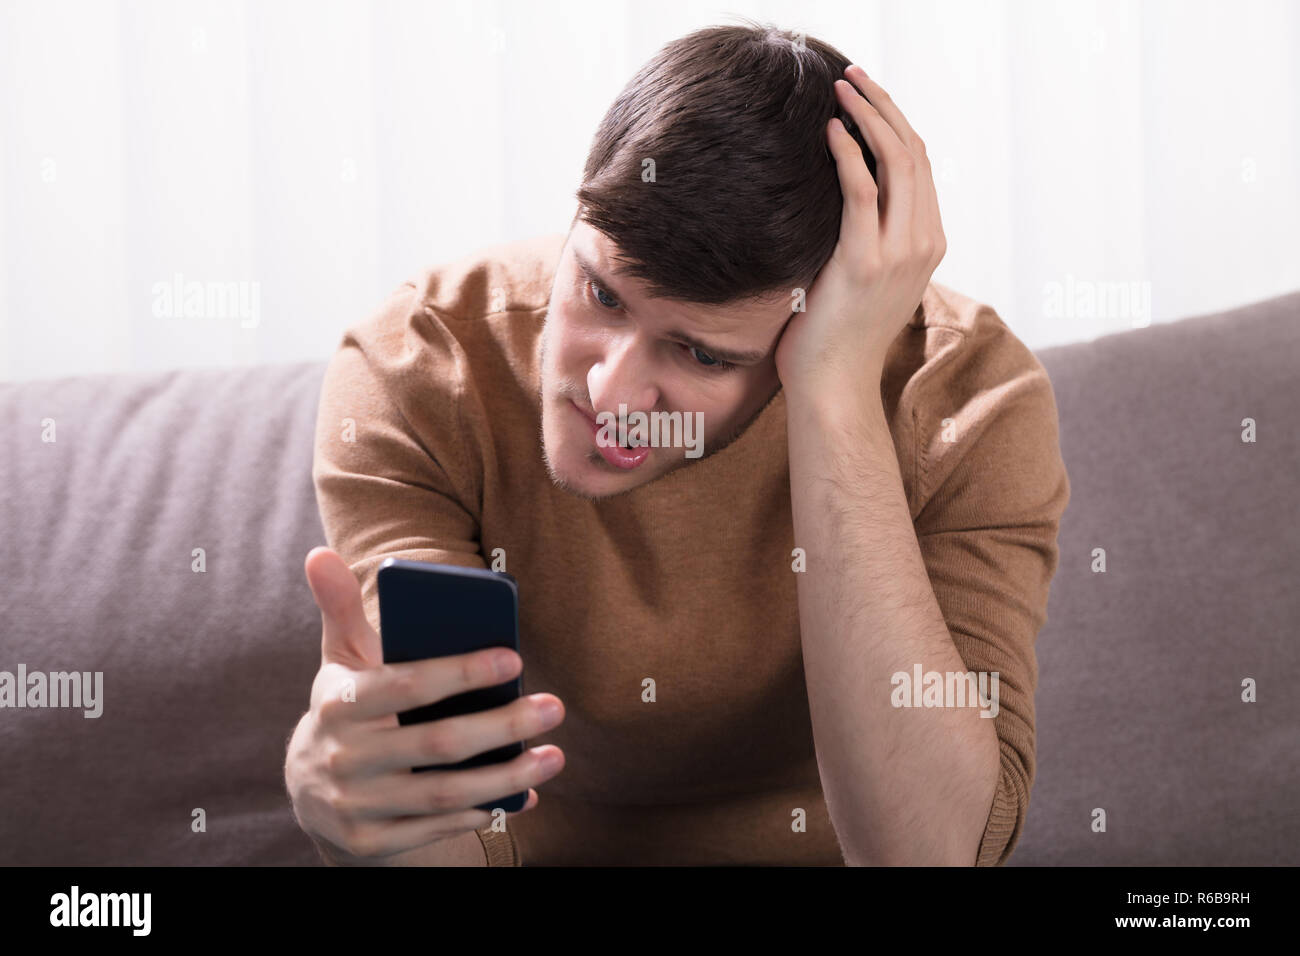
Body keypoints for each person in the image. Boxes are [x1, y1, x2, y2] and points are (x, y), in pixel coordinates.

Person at [284, 19, 1070, 867]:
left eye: (703, 354)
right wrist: (363, 820)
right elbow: (449, 832)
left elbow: (930, 855)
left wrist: (833, 393)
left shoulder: (968, 402)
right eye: (602, 293)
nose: (607, 393)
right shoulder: (421, 364)